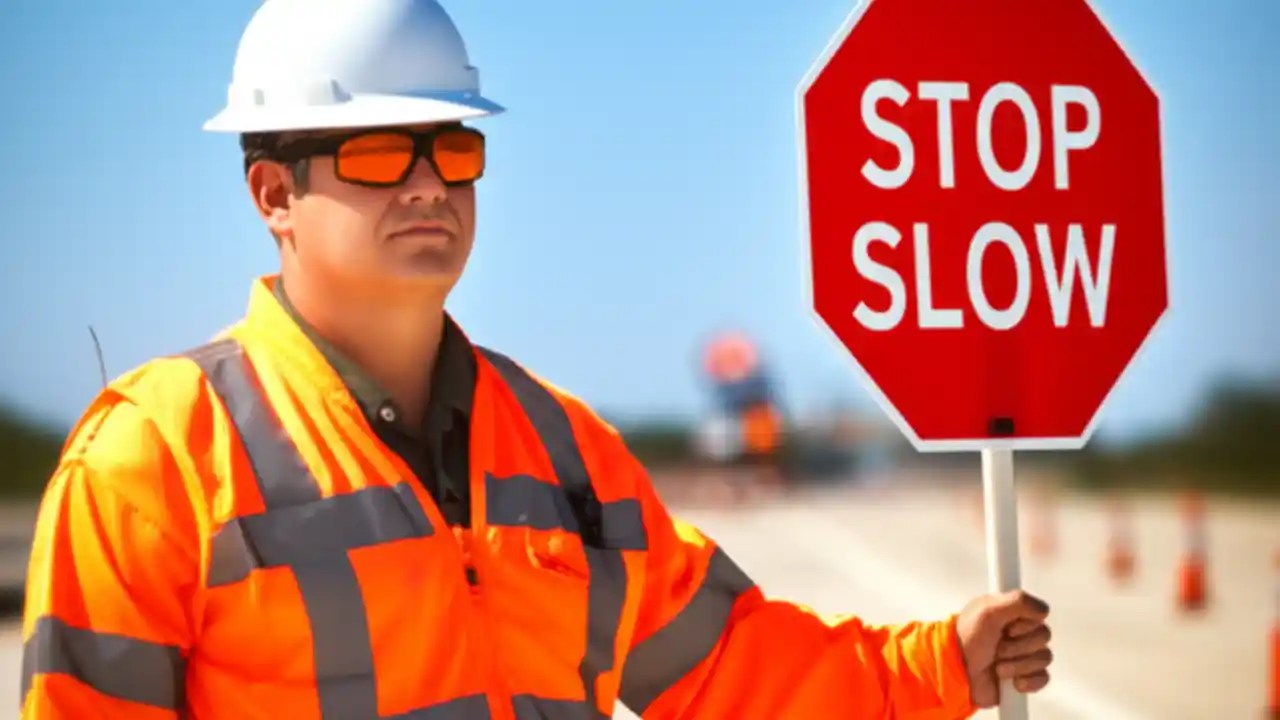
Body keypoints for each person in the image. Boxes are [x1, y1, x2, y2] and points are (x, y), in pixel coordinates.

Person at [18, 1, 1053, 718]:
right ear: (272, 195)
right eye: (379, 151)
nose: (428, 183)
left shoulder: (561, 450)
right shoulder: (150, 463)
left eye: (453, 147)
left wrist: (939, 665)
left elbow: (731, 673)